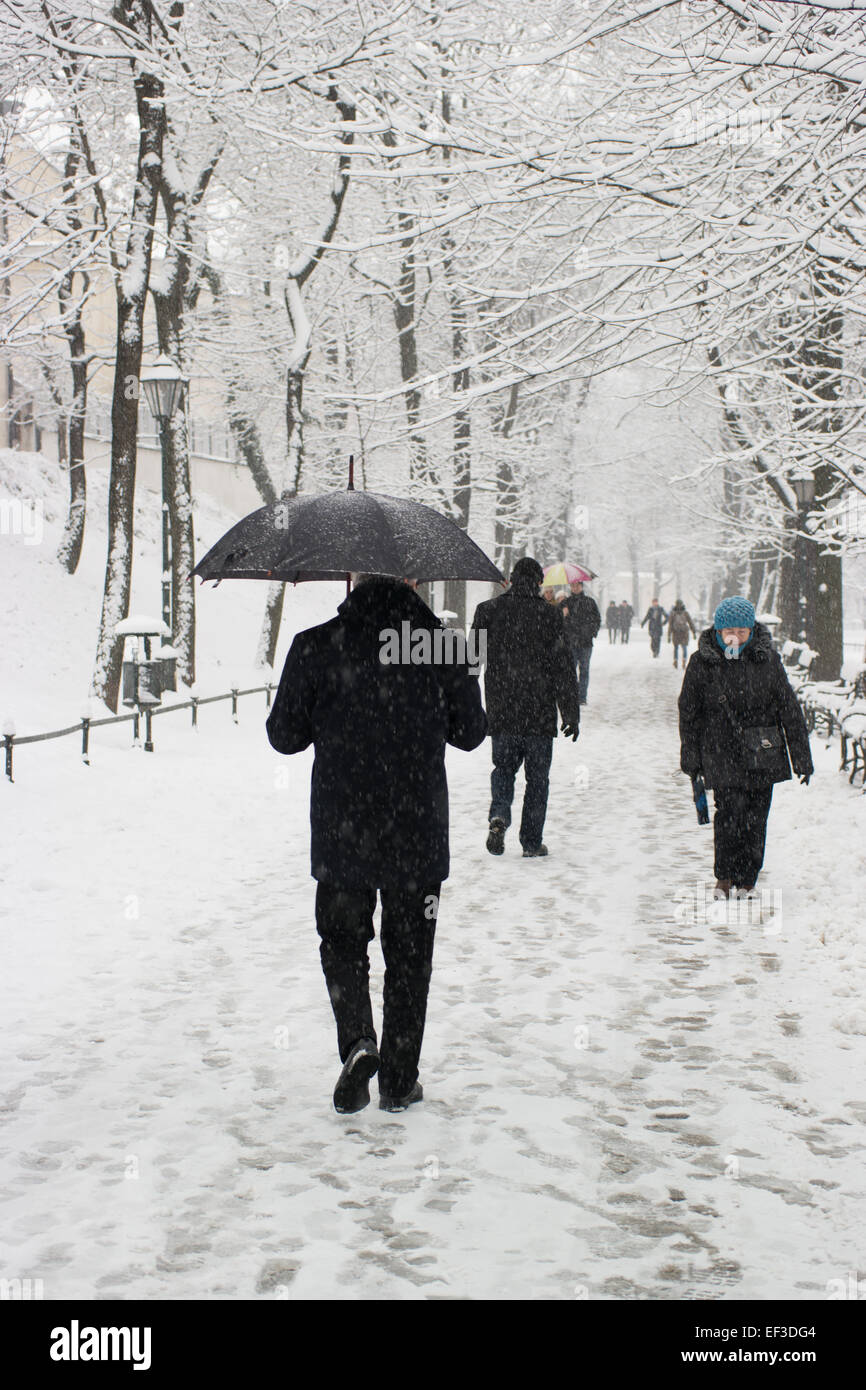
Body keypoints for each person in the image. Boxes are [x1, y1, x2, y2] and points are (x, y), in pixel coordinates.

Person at [265, 574, 487, 1115]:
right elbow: (471, 732)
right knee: (411, 957)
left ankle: (359, 1040)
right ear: (413, 580)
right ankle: (398, 1080)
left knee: (343, 944)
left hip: (343, 833)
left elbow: (284, 736)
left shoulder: (315, 645)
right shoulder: (441, 649)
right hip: (418, 835)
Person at [678, 596, 813, 899]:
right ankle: (724, 877)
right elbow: (689, 712)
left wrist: (801, 757)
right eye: (729, 630)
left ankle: (748, 879)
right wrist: (691, 756)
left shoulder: (768, 660)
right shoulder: (703, 662)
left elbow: (788, 709)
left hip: (762, 752)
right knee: (728, 814)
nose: (735, 637)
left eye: (742, 631)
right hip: (720, 750)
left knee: (756, 817)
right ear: (718, 630)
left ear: (751, 630)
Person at [471, 556, 580, 858]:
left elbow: (471, 661)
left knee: (503, 769)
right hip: (539, 713)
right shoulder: (550, 616)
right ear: (538, 582)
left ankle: (499, 815)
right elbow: (564, 668)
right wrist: (570, 713)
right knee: (537, 780)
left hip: (502, 709)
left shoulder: (488, 611)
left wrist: (469, 705)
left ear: (511, 578)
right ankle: (531, 842)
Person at [560, 580, 601, 704]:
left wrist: (591, 632)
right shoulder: (565, 603)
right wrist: (562, 614)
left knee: (584, 671)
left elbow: (597, 619)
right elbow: (556, 620)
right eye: (572, 585)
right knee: (570, 671)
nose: (575, 587)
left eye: (577, 585)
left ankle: (582, 697)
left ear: (582, 586)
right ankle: (572, 696)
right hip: (570, 642)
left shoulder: (590, 602)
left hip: (586, 643)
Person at [668, 598, 696, 669]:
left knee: (676, 648)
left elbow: (670, 625)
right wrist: (694, 632)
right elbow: (690, 623)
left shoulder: (673, 613)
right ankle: (684, 660)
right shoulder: (685, 613)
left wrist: (669, 635)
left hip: (676, 632)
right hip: (684, 633)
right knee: (684, 647)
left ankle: (675, 660)